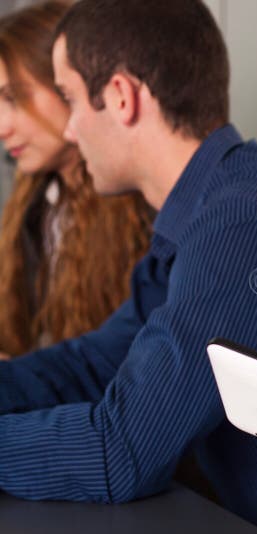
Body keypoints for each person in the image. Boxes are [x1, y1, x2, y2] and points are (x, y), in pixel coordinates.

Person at [0, 0, 257, 531]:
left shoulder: (247, 224)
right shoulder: (218, 207)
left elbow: (122, 451)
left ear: (121, 97)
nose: (71, 130)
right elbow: (98, 363)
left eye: (71, 99)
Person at [0, 0, 152, 358]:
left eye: (14, 98)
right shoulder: (35, 205)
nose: (2, 127)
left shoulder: (145, 212)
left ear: (68, 90)